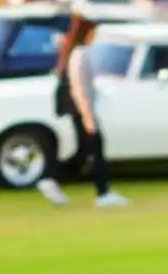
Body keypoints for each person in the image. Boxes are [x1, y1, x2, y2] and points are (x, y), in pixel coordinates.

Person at [38, 16, 127, 208]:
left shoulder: (71, 52)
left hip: (78, 107)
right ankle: (102, 192)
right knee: (96, 146)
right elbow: (79, 86)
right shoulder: (80, 54)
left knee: (84, 152)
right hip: (81, 108)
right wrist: (88, 115)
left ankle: (52, 179)